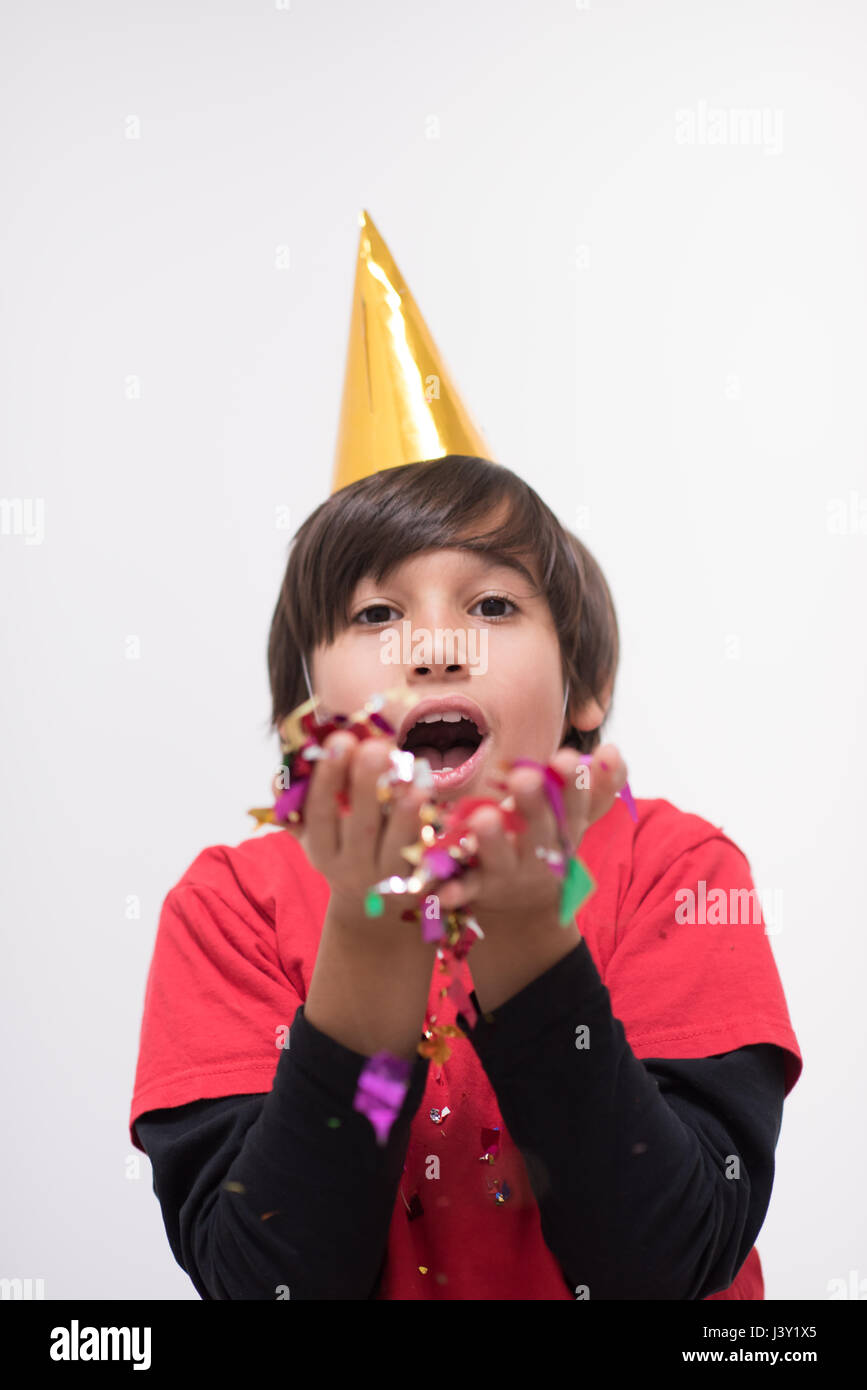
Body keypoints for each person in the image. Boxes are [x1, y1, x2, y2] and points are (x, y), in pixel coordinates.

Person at [129, 454, 802, 1300]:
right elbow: (271, 1284)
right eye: (376, 612)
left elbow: (665, 1268)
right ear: (306, 715)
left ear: (584, 685)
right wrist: (374, 935)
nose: (434, 647)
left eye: (491, 605)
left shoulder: (679, 870)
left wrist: (525, 938)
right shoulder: (228, 908)